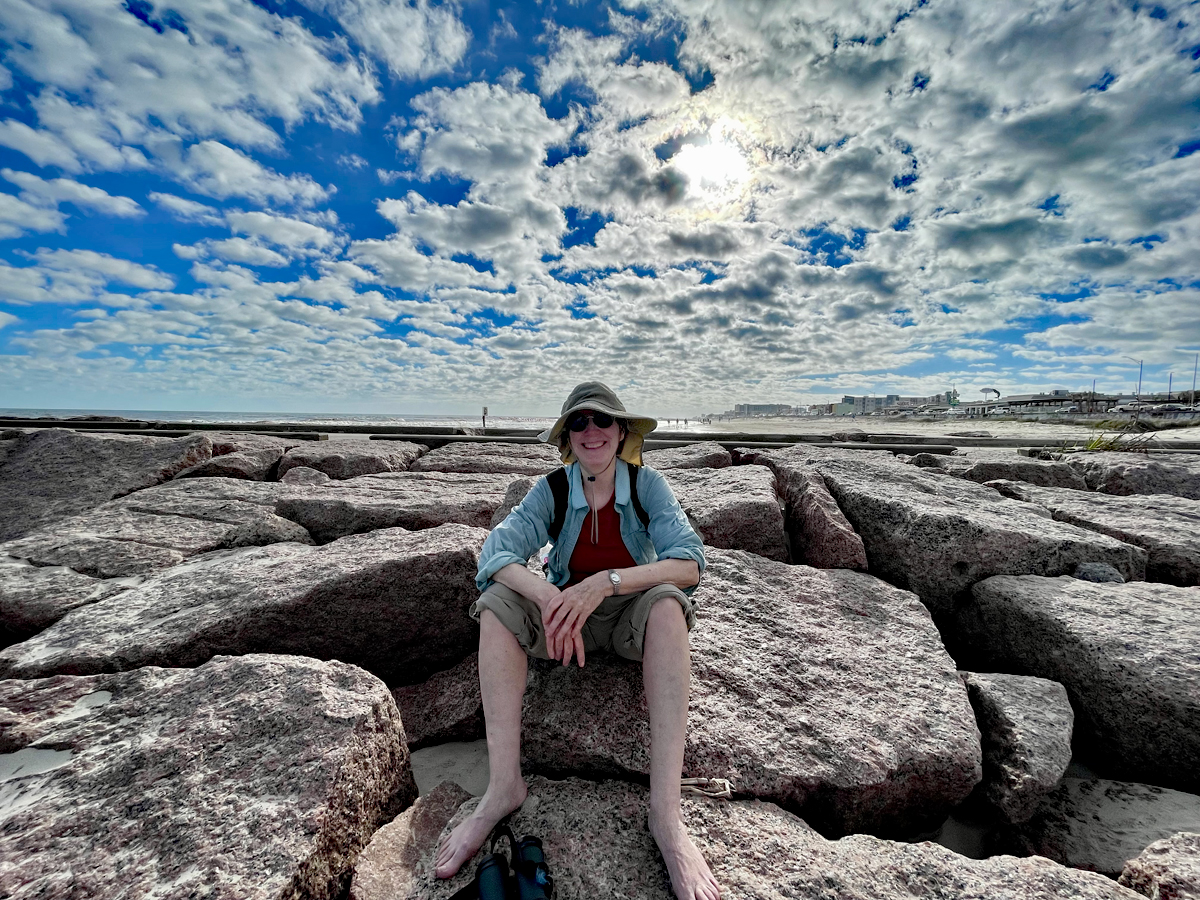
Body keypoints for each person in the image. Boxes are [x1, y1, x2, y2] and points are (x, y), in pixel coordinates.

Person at [435, 382, 721, 900]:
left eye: (602, 421)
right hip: (567, 621)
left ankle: (666, 816)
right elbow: (494, 557)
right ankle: (503, 788)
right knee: (496, 607)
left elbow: (689, 563)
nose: (592, 431)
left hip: (629, 617)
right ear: (568, 436)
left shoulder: (648, 485)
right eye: (579, 423)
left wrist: (606, 580)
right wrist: (549, 596)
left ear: (622, 432)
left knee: (667, 605)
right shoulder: (553, 489)